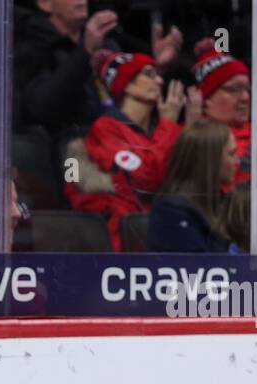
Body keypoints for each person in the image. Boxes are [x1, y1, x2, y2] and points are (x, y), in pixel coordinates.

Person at [64, 50, 184, 250]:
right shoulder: (107, 129)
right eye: (149, 74)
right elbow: (146, 178)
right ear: (126, 84)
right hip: (128, 246)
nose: (160, 81)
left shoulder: (160, 131)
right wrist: (169, 123)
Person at [15, 0, 183, 137]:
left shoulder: (108, 44)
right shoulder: (30, 45)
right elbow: (43, 109)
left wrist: (158, 68)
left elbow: (131, 101)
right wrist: (84, 52)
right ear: (45, 3)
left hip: (118, 141)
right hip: (67, 151)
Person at [147, 119, 238, 253]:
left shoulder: (224, 203)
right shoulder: (171, 214)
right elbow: (194, 271)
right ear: (210, 161)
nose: (237, 161)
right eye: (231, 154)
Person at [190, 38, 249, 184]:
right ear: (205, 99)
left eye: (248, 89)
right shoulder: (183, 140)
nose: (245, 97)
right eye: (234, 89)